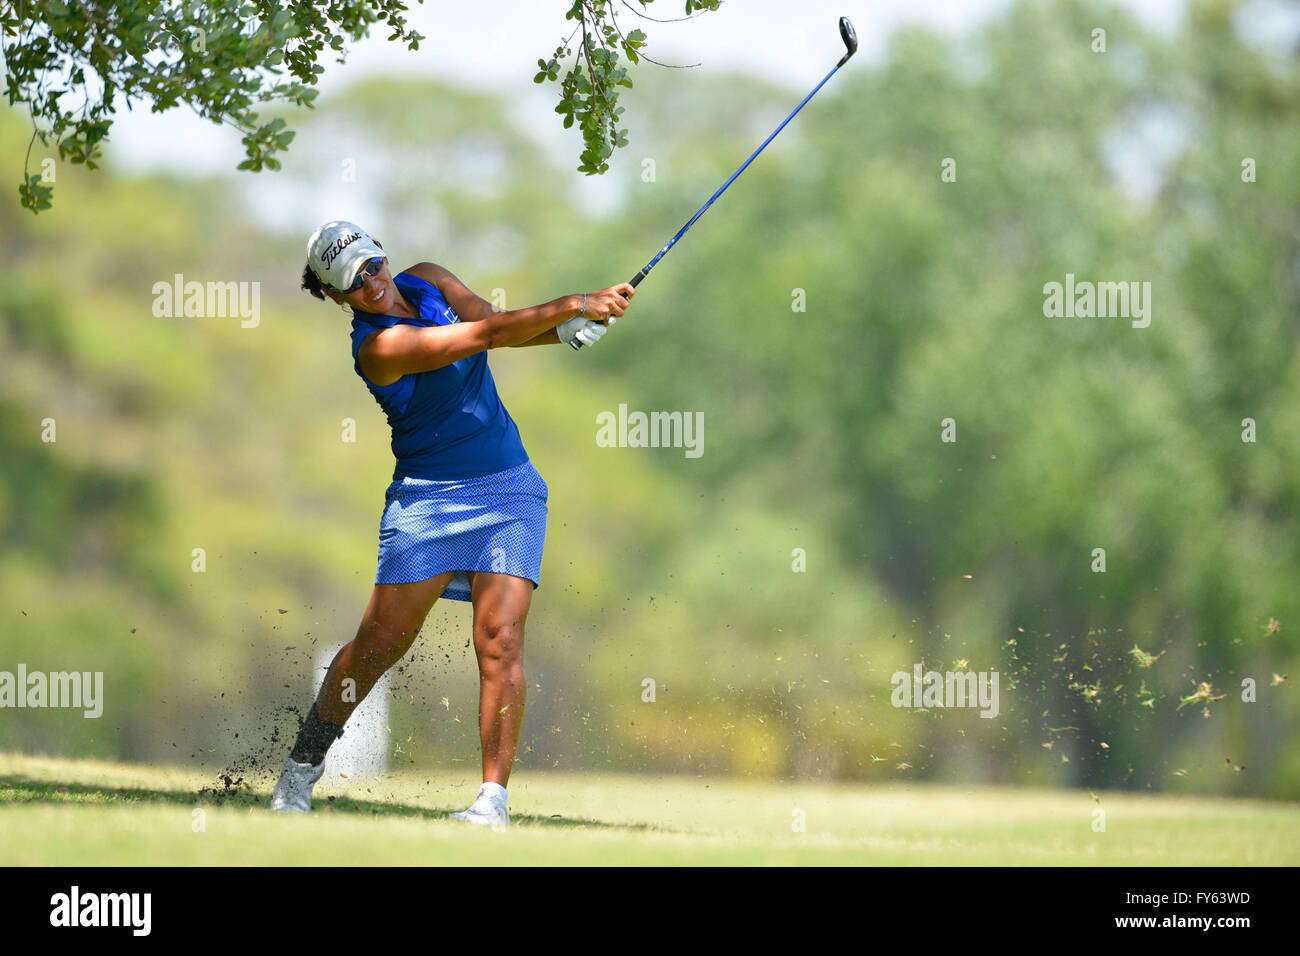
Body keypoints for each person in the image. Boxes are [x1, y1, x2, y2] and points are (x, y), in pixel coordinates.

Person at [269, 220, 633, 826]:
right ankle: (302, 767)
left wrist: (564, 331)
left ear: (382, 254)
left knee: (502, 641)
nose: (371, 283)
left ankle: (492, 801)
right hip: (428, 503)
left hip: (509, 486)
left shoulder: (431, 279)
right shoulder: (376, 349)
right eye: (353, 284)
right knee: (376, 649)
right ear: (335, 297)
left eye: (372, 265)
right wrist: (575, 302)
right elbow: (485, 335)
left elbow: (500, 325)